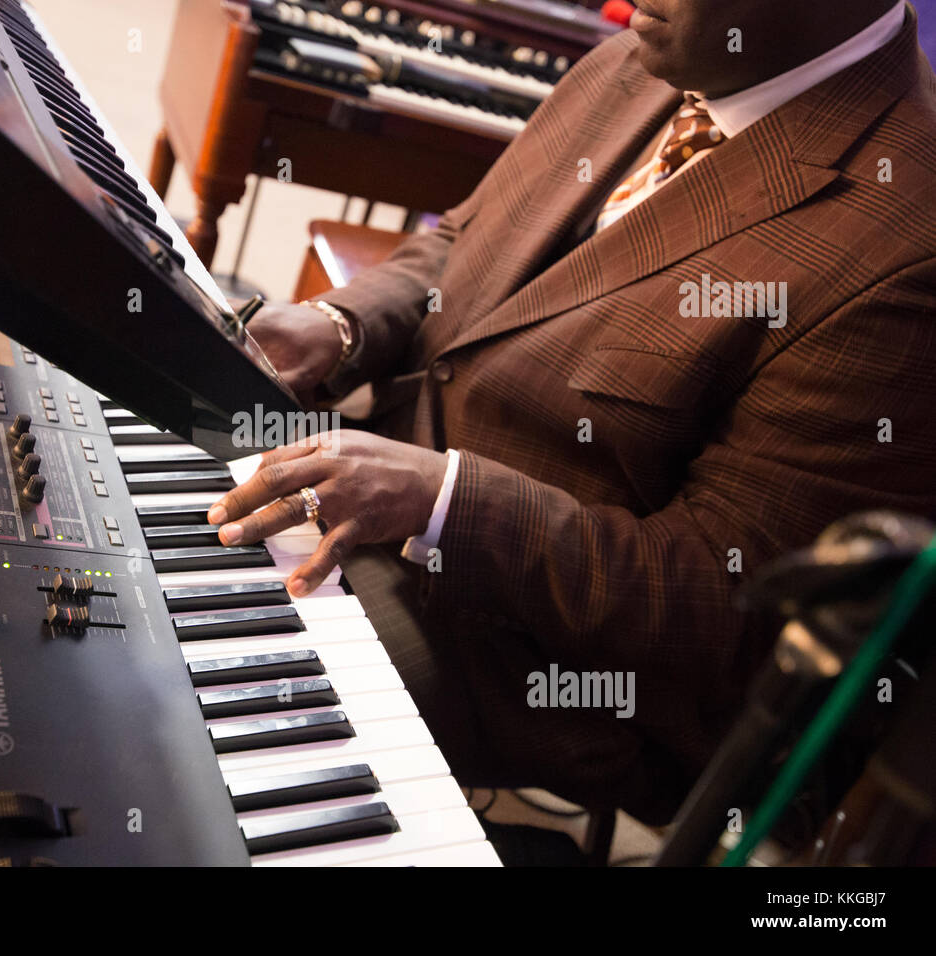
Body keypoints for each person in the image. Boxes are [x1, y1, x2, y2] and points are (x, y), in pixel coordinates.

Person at [206, 0, 936, 822]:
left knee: (202, 701)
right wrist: (340, 327)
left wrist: (443, 498)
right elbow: (464, 243)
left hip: (535, 659)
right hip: (388, 494)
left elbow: (727, 612)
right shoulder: (647, 59)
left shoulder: (910, 243)